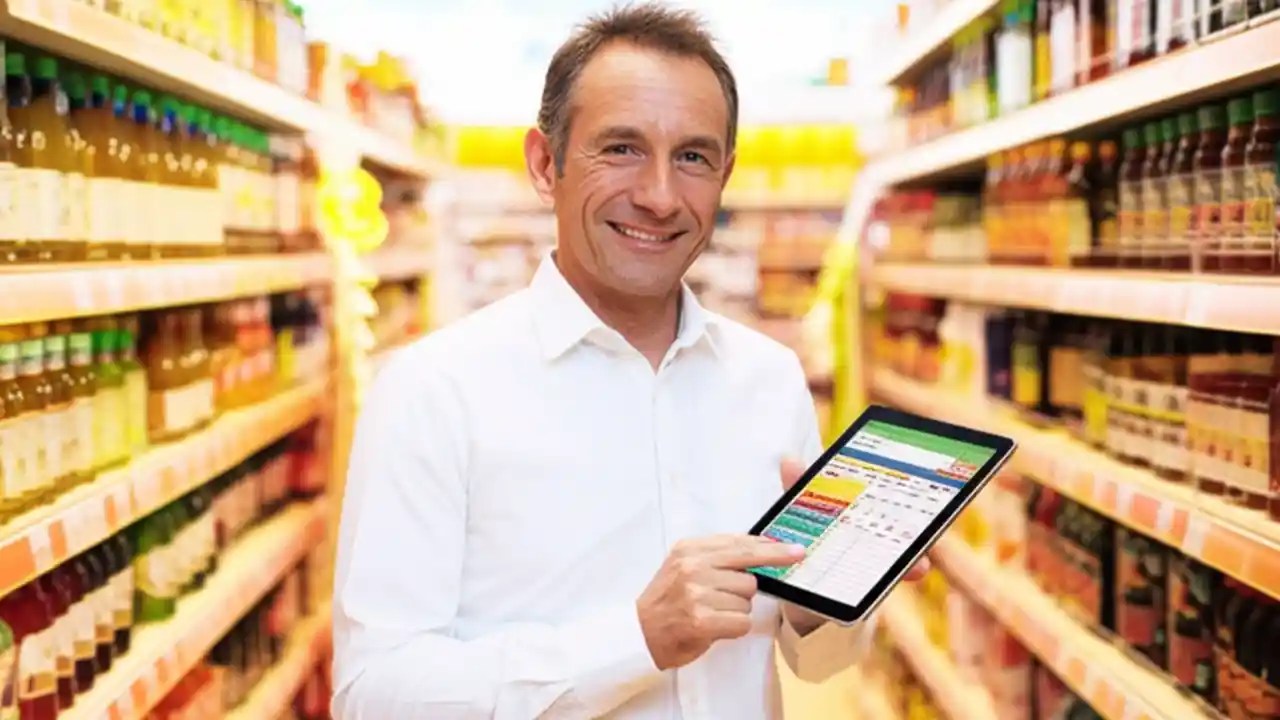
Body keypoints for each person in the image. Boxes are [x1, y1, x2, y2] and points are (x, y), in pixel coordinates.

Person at [331, 3, 927, 718]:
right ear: (545, 164)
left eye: (693, 157)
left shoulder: (769, 380)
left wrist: (824, 597)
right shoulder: (432, 391)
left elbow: (818, 661)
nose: (660, 197)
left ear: (726, 175)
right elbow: (374, 695)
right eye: (621, 149)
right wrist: (635, 640)